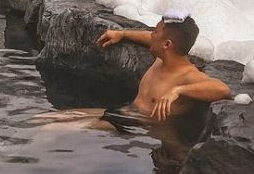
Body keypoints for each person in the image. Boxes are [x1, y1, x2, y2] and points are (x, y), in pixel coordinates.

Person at [97, 10, 232, 121]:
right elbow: (149, 38)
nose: (151, 35)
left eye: (155, 31)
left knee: (83, 126)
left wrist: (178, 90)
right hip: (126, 113)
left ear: (167, 44)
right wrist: (122, 34)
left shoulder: (187, 75)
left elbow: (223, 90)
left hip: (142, 129)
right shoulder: (161, 58)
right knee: (81, 115)